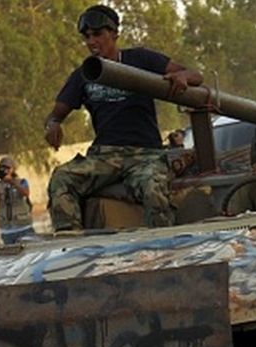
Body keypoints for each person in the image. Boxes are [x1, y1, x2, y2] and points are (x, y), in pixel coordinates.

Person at [45, 4, 203, 231]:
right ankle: (71, 246)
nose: (91, 42)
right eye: (87, 37)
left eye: (97, 34)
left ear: (114, 34)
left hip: (146, 155)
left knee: (153, 188)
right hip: (105, 156)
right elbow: (55, 115)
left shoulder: (140, 59)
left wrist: (182, 76)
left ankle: (163, 247)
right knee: (62, 178)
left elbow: (196, 75)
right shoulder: (84, 74)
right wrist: (52, 125)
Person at [0, 156, 33, 244]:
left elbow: (25, 193)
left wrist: (11, 181)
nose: (4, 170)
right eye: (1, 167)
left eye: (7, 168)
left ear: (13, 169)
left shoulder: (21, 182)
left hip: (24, 226)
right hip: (7, 229)